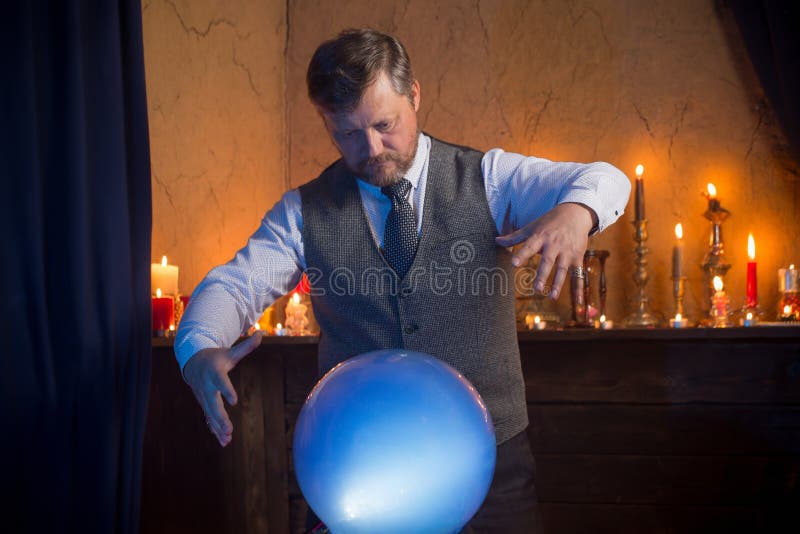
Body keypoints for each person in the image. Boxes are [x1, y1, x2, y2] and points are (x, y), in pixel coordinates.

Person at [176, 28, 630, 533]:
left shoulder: (489, 178)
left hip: (491, 469)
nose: (371, 148)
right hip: (355, 469)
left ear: (413, 94)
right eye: (347, 134)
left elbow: (606, 178)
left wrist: (576, 213)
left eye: (384, 124)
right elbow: (233, 286)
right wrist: (199, 347)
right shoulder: (302, 211)